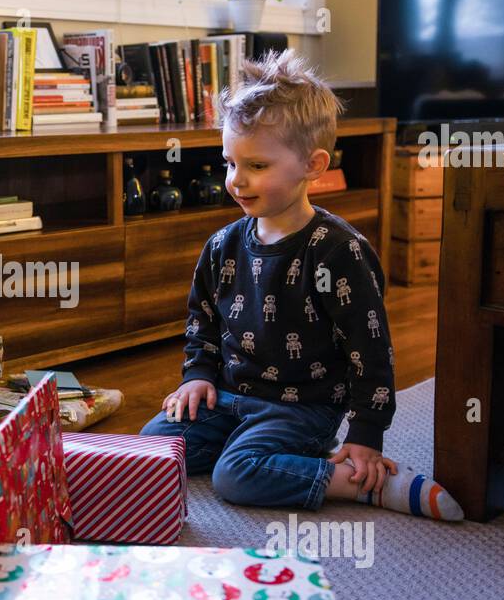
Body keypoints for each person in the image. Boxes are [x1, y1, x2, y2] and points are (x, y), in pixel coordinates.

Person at [141, 50, 463, 521]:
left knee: (236, 476)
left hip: (301, 408)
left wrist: (365, 437)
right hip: (228, 397)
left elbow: (370, 350)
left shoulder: (337, 251)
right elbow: (203, 322)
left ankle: (359, 485)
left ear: (313, 165)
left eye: (257, 166)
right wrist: (197, 376)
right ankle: (257, 451)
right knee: (153, 449)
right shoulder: (222, 246)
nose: (236, 180)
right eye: (230, 162)